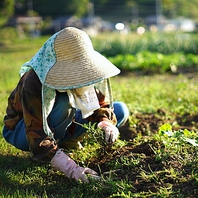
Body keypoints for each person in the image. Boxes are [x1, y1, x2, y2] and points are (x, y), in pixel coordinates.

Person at [2, 27, 129, 183]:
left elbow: (100, 103)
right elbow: (35, 129)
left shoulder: (85, 72)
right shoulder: (33, 82)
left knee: (120, 110)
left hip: (62, 121)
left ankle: (66, 141)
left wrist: (105, 122)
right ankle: (54, 150)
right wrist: (70, 167)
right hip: (22, 131)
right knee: (64, 104)